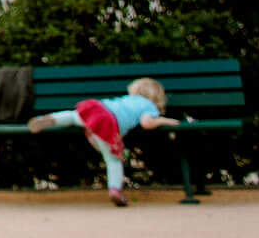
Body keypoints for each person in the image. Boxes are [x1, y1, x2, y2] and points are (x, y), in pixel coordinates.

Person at [28, 78, 179, 205]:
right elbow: (147, 123)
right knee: (113, 160)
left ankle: (50, 119)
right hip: (108, 124)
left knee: (74, 116)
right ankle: (115, 191)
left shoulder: (129, 99)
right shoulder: (149, 106)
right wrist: (162, 120)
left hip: (96, 108)